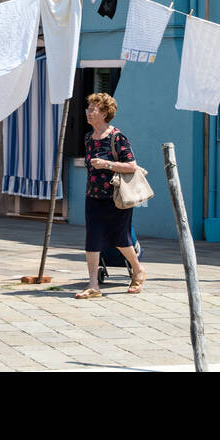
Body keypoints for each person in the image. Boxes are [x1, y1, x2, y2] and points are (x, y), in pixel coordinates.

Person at [75, 92, 147, 299]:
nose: (88, 113)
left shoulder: (117, 137)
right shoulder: (89, 138)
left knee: (120, 238)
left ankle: (138, 269)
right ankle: (93, 285)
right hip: (93, 196)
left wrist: (107, 164)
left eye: (92, 109)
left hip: (116, 197)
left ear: (105, 113)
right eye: (88, 109)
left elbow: (132, 166)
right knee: (92, 238)